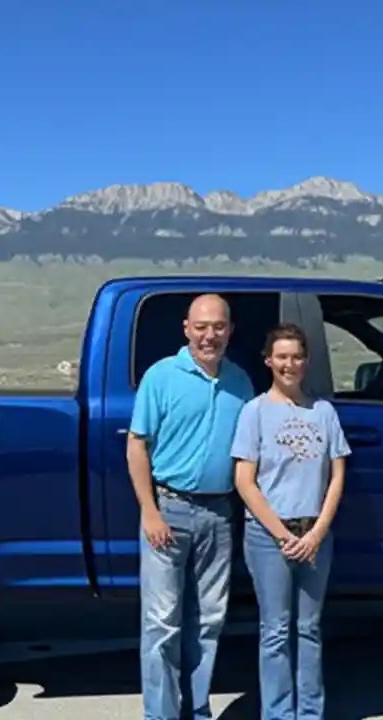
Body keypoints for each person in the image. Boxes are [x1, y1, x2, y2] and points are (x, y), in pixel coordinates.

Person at [127, 293, 255, 720]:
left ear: (230, 331)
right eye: (201, 327)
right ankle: (161, 716)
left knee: (208, 622)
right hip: (168, 509)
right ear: (186, 329)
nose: (209, 336)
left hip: (219, 515)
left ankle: (196, 710)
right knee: (162, 623)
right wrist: (149, 510)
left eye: (218, 327)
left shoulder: (241, 383)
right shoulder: (161, 377)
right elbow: (137, 444)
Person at [230, 322, 351, 720]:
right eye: (282, 356)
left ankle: (311, 712)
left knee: (310, 628)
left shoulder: (324, 412)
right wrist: (283, 535)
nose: (290, 364)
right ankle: (279, 714)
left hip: (315, 533)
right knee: (275, 631)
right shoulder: (255, 413)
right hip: (270, 536)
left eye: (297, 356)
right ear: (269, 361)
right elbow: (245, 482)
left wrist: (316, 532)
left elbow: (336, 477)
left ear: (307, 361)